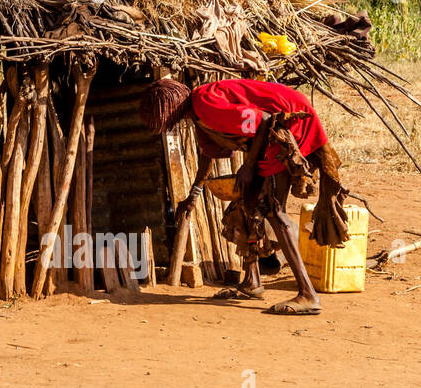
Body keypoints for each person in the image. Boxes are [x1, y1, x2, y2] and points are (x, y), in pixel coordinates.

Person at [139, 77, 350, 316]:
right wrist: (193, 196)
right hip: (275, 129)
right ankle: (252, 282)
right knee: (249, 204)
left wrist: (249, 166)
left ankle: (308, 294)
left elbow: (264, 120)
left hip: (291, 123)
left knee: (273, 209)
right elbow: (207, 158)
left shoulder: (205, 104)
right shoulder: (199, 116)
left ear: (166, 110)